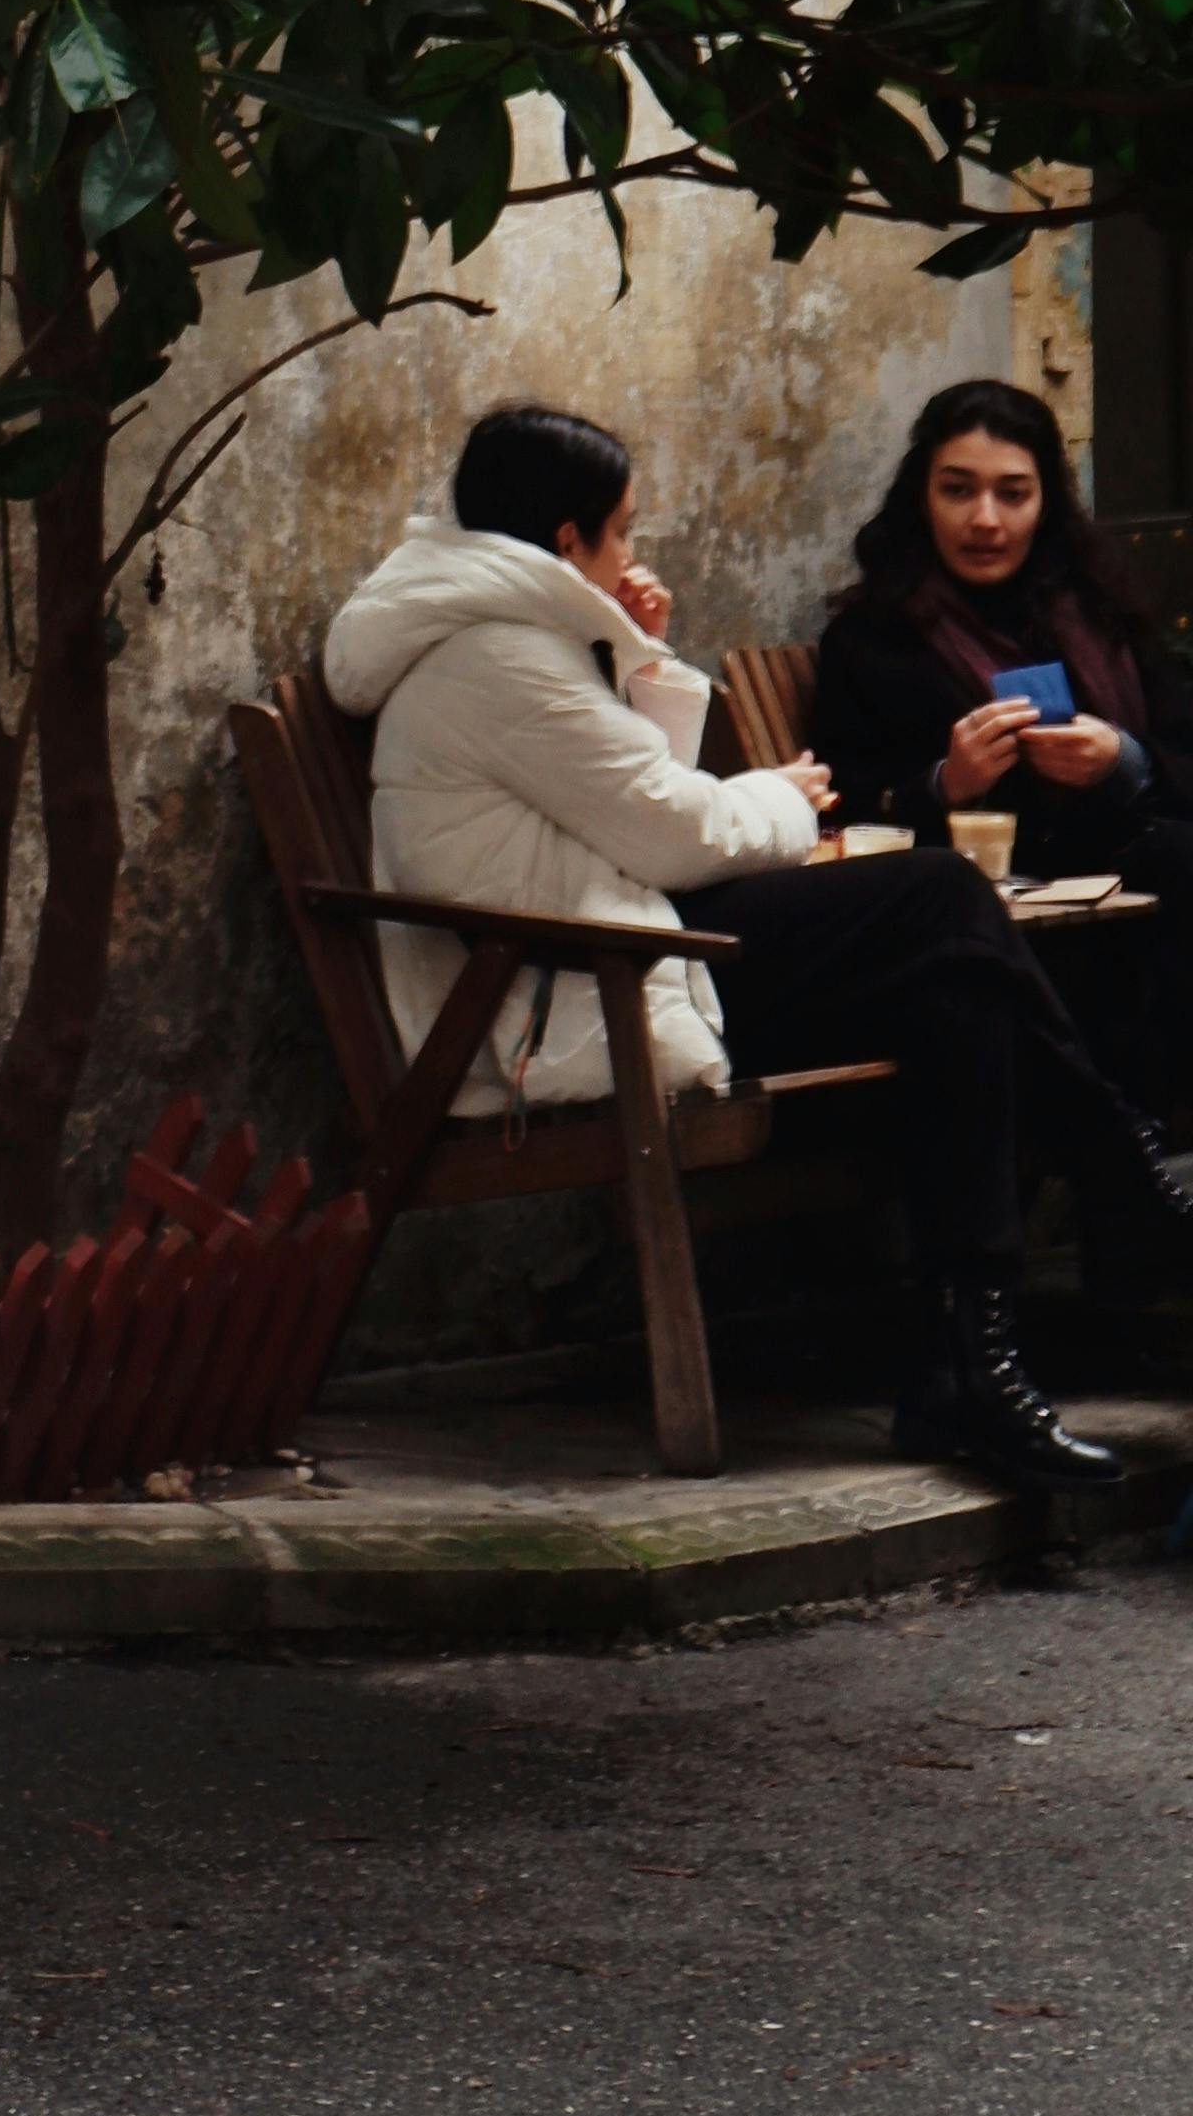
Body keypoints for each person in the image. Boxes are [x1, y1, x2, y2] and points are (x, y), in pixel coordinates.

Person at [325, 400, 1193, 1517]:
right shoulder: (501, 662)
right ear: (563, 542)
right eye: (623, 532)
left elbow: (629, 794)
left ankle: (968, 1368)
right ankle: (1126, 1195)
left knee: (952, 982)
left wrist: (640, 662)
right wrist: (778, 794)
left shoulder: (519, 648)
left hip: (633, 955)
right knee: (937, 899)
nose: (633, 554)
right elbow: (673, 830)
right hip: (580, 997)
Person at [809, 377, 1193, 1124]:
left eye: (1012, 494)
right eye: (959, 490)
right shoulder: (876, 639)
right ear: (923, 497)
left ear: (1046, 501)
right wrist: (945, 783)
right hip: (990, 925)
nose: (985, 519)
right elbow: (841, 810)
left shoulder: (1100, 613)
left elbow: (1182, 747)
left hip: (1130, 885)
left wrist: (1124, 760)